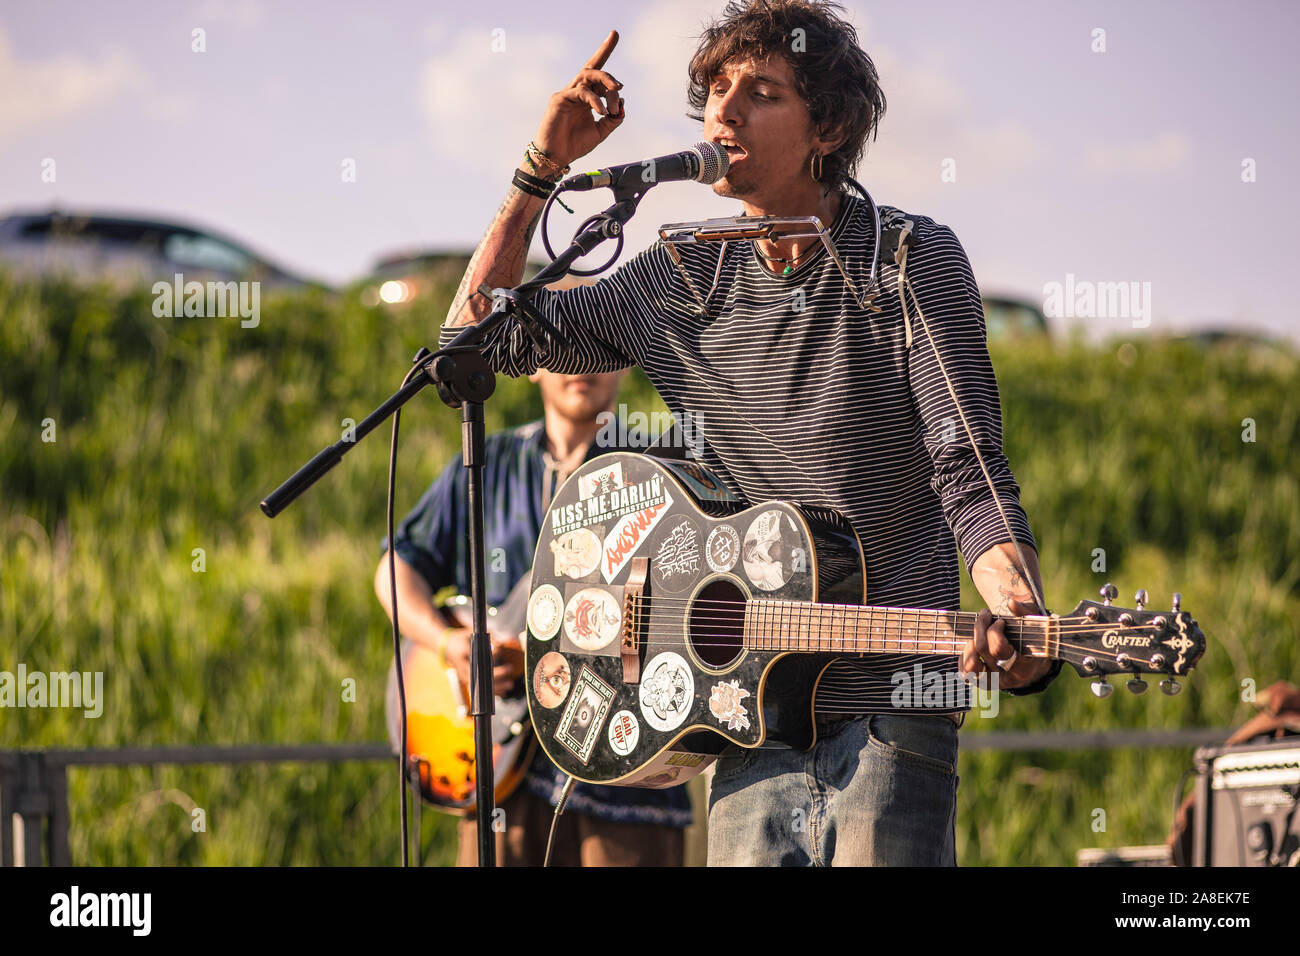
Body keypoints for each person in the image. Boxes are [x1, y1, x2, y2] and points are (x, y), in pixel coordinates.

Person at [440, 0, 1062, 866]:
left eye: (760, 92)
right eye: (716, 90)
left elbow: (968, 468)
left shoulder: (907, 260)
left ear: (830, 127)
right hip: (740, 721)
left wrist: (1019, 612)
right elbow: (471, 340)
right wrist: (540, 167)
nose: (723, 112)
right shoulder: (681, 275)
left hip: (888, 711)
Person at [374, 360, 693, 866]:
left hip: (629, 774)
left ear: (625, 366)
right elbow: (396, 570)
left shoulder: (659, 469)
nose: (580, 366)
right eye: (562, 350)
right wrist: (446, 642)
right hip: (503, 776)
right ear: (530, 367)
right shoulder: (486, 462)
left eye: (597, 350)